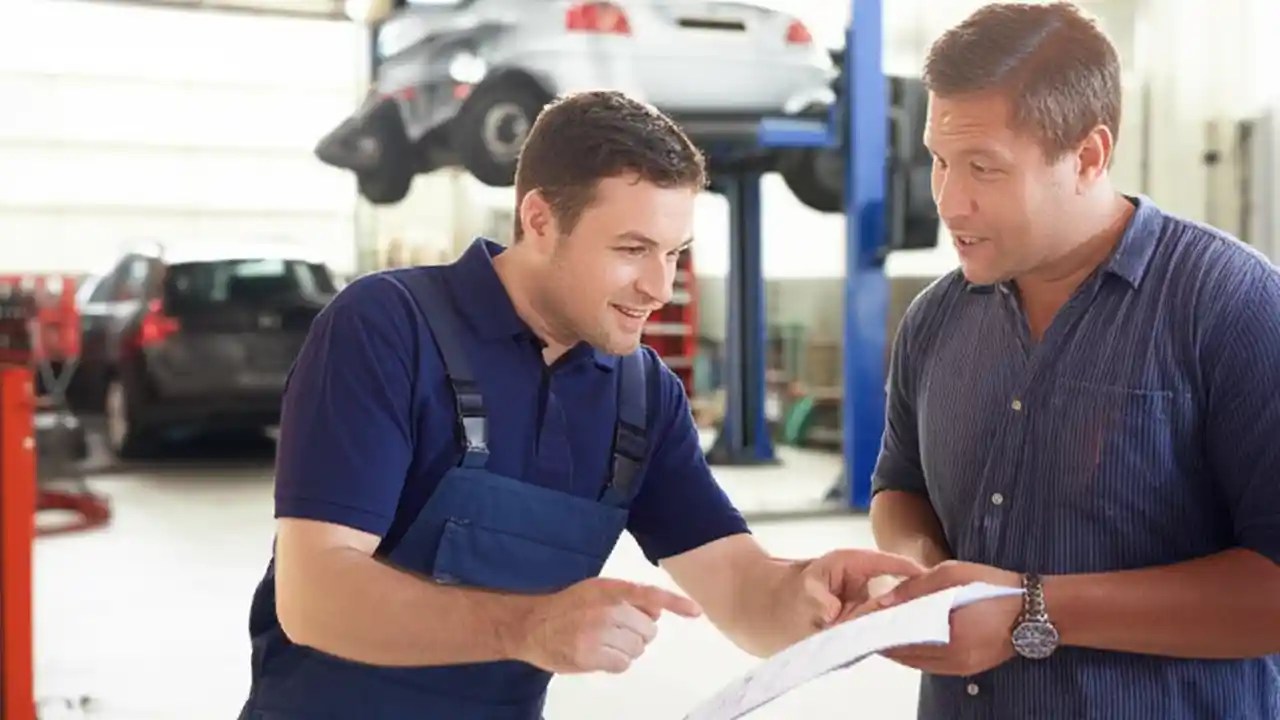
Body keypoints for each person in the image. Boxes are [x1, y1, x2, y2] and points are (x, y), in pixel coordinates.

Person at [237, 90, 923, 719]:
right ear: (539, 218)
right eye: (632, 249)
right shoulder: (388, 327)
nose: (659, 286)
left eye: (675, 252)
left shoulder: (643, 394)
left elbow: (741, 591)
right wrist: (527, 626)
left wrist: (811, 596)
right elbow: (315, 595)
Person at [857, 2, 1280, 718]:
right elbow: (899, 487)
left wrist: (1027, 610)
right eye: (938, 160)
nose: (949, 202)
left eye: (984, 168)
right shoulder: (936, 317)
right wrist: (926, 579)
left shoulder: (1234, 307)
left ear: (1087, 156)